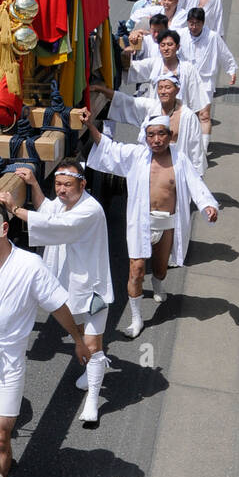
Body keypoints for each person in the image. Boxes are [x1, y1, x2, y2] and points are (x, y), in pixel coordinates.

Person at [0, 200, 90, 476]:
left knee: (0, 437)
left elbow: (58, 305)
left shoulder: (30, 265)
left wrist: (78, 339)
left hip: (6, 364)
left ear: (4, 227)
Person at [81, 110, 219, 338]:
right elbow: (109, 148)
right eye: (151, 135)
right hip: (140, 222)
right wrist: (90, 126)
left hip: (167, 223)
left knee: (161, 269)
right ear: (145, 137)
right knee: (135, 271)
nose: (156, 140)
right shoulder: (136, 156)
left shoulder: (180, 159)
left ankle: (157, 282)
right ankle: (137, 319)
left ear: (170, 135)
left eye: (161, 134)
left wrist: (207, 206)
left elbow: (196, 185)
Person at [0, 159, 114, 428]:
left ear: (82, 184)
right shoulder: (64, 202)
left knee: (93, 344)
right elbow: (47, 210)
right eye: (58, 184)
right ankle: (93, 369)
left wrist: (14, 209)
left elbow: (54, 226)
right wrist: (34, 184)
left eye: (68, 185)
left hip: (93, 286)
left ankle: (93, 400)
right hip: (71, 285)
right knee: (85, 334)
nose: (61, 190)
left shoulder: (90, 210)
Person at [102, 73, 207, 178]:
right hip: (152, 168)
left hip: (177, 172)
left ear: (177, 90)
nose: (163, 91)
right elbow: (128, 102)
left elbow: (196, 149)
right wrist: (102, 90)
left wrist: (198, 179)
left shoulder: (188, 117)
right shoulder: (152, 108)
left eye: (167, 87)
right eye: (160, 88)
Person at [127, 28, 211, 130]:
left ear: (178, 47)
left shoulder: (188, 68)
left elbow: (198, 103)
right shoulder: (154, 64)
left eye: (170, 45)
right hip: (157, 120)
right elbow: (130, 68)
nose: (166, 48)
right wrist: (128, 49)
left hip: (180, 121)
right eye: (162, 45)